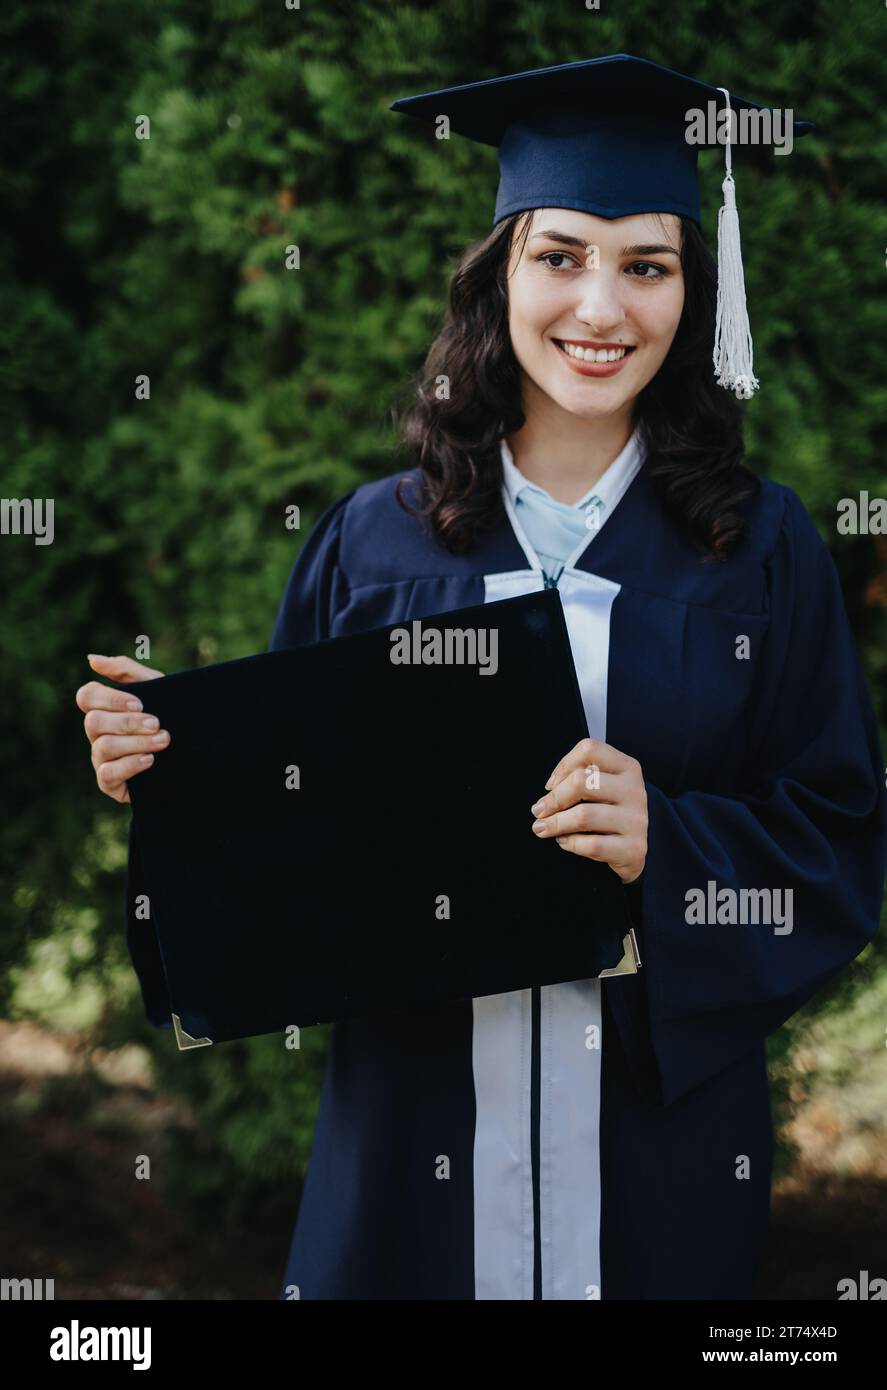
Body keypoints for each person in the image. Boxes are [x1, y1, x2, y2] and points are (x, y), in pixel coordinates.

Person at [75, 55, 886, 1300]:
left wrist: (662, 847)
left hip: (656, 1155)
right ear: (497, 274)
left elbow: (837, 846)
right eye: (558, 255)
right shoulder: (376, 539)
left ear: (690, 289)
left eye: (646, 265)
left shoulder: (756, 549)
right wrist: (178, 770)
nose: (600, 307)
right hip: (412, 1137)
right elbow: (298, 844)